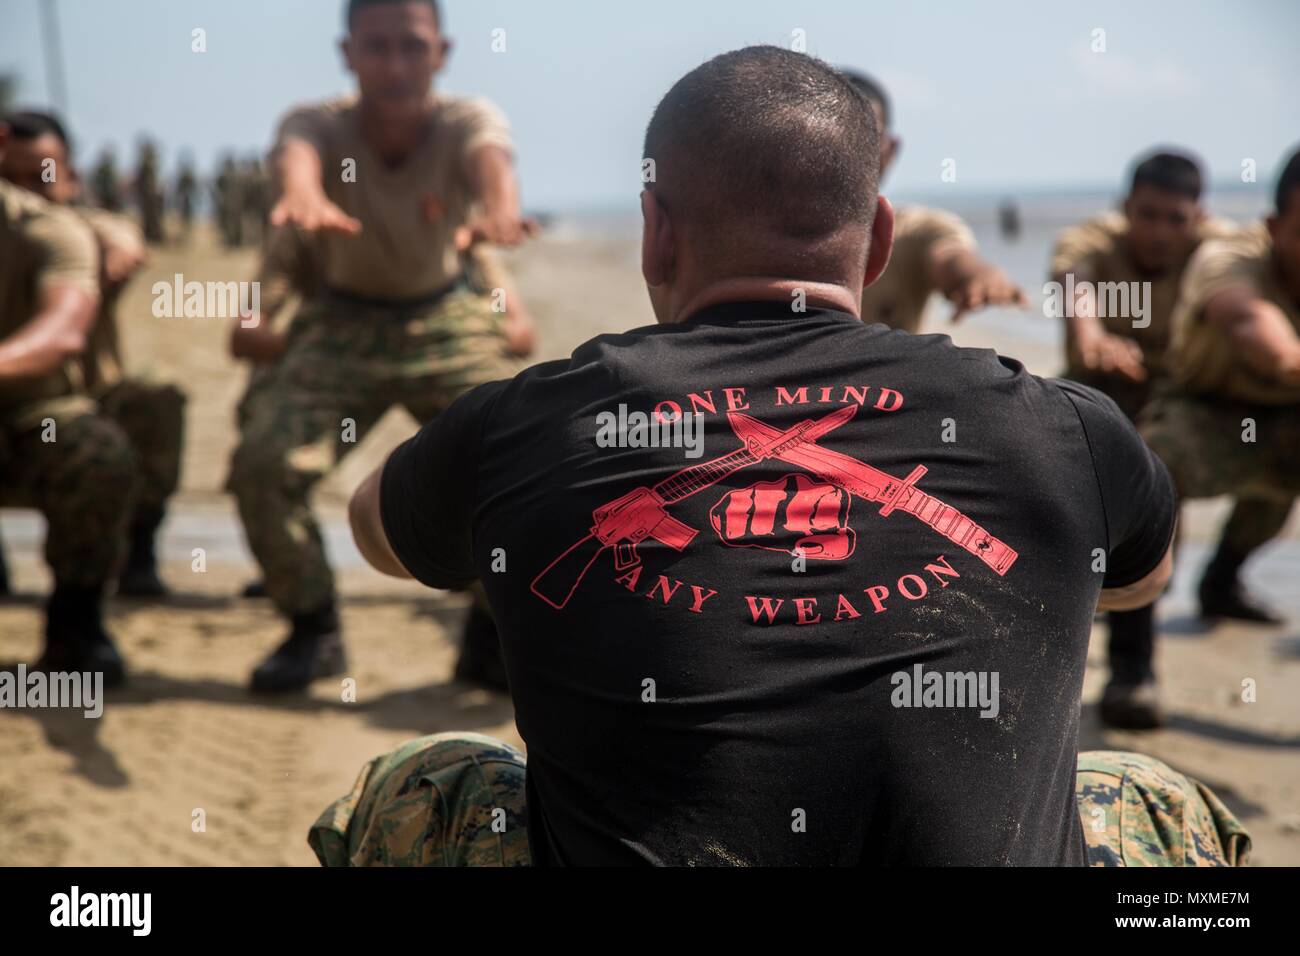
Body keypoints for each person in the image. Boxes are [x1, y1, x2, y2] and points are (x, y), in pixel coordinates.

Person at [331, 47, 1248, 865]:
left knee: (426, 779)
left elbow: (375, 529)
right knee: (1148, 794)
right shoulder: (1065, 428)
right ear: (880, 238)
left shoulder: (530, 420)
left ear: (654, 229)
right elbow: (1137, 580)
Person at [227, 0, 533, 693]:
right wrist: (302, 195)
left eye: (411, 46)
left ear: (442, 52)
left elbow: (493, 163)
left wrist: (499, 207)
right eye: (376, 47)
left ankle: (489, 636)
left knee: (518, 461)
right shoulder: (318, 121)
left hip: (441, 319)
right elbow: (295, 162)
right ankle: (312, 627)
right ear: (347, 52)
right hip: (340, 323)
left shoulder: (465, 121)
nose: (394, 64)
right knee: (262, 464)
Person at [1049, 150, 1285, 729]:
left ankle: (1223, 580)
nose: (1160, 232)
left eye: (1175, 219)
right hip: (1105, 401)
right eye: (1147, 215)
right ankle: (1131, 666)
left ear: (1198, 217)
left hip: (1188, 400)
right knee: (1136, 509)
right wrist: (1093, 334)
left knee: (1273, 481)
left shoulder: (1219, 251)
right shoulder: (1092, 244)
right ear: (1126, 208)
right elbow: (1074, 283)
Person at [1, 110, 186, 598]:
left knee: (154, 393)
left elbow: (118, 236)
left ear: (71, 175)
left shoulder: (77, 232)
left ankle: (136, 546)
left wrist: (105, 238)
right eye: (11, 175)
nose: (25, 188)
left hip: (77, 403)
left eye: (40, 173)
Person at [1138, 145, 1300, 686]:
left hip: (1290, 424)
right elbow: (1261, 335)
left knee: (1268, 509)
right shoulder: (1230, 259)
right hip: (1203, 412)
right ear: (1275, 227)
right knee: (1152, 468)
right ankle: (1131, 662)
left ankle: (1222, 584)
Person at [0, 118, 136, 684]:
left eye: (46, 173)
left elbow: (61, 332)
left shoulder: (53, 230)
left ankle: (78, 624)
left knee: (99, 449)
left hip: (30, 415)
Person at [839, 69, 1026, 331]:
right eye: (842, 135)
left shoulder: (914, 229)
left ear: (891, 149)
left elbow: (948, 254)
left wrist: (976, 276)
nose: (853, 149)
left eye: (867, 135)